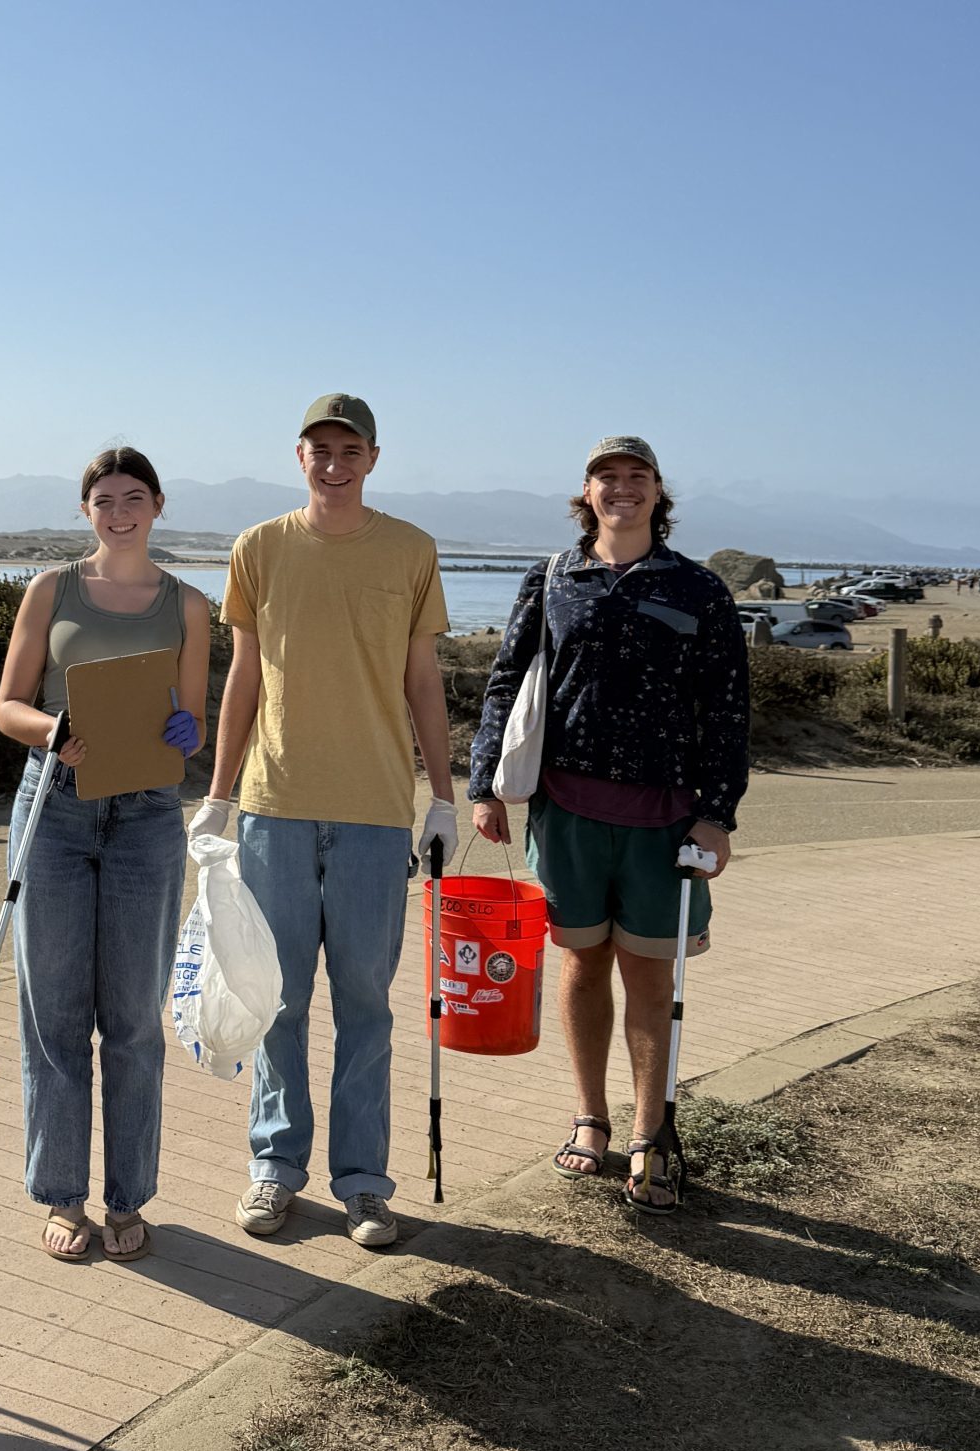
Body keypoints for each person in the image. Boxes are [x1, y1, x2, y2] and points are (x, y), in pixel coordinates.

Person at [191, 394, 456, 1248]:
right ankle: (274, 1170)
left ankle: (364, 1185)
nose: (334, 463)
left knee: (366, 1003)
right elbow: (242, 679)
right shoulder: (258, 549)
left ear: (373, 458)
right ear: (297, 456)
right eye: (319, 449)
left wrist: (442, 796)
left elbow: (424, 682)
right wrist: (221, 793)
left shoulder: (412, 551)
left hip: (378, 811)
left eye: (350, 450)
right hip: (273, 806)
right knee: (277, 997)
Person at [468, 436, 748, 1213]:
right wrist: (486, 786)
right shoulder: (554, 578)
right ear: (586, 492)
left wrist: (718, 814)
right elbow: (506, 684)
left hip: (666, 819)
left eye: (637, 477)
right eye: (607, 477)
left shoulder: (699, 590)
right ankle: (591, 1119)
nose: (621, 489)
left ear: (659, 492)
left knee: (650, 978)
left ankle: (649, 1138)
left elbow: (726, 711)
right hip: (566, 812)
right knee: (584, 966)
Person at [0, 447, 212, 1262]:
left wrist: (190, 733)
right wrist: (51, 731)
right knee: (53, 1017)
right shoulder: (50, 590)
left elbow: (189, 719)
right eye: (103, 500)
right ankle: (62, 1197)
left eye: (133, 499)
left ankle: (128, 1200)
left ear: (158, 505)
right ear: (86, 510)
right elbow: (7, 706)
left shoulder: (190, 605)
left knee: (131, 1021)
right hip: (51, 809)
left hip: (148, 815)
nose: (118, 512)